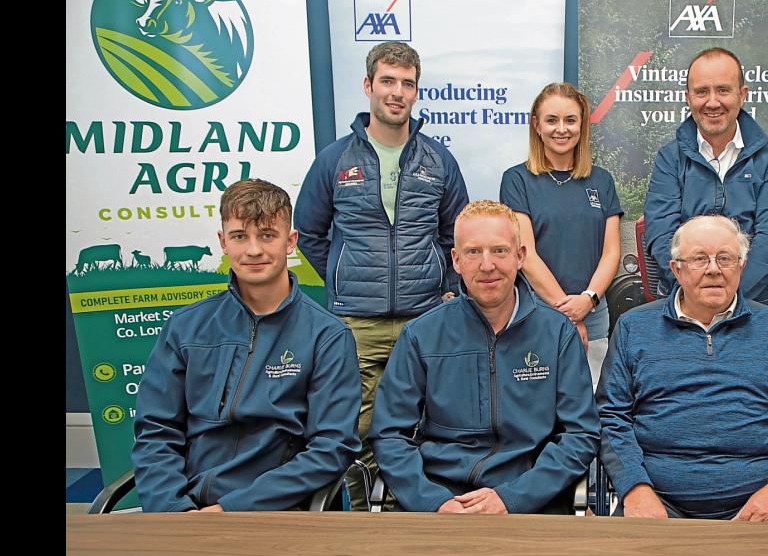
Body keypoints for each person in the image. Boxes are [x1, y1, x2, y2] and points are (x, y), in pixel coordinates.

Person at [295, 41, 469, 509]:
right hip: (357, 321)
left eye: (407, 84)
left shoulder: (438, 161)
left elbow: (458, 233)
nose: (397, 93)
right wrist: (343, 274)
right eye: (388, 81)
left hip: (426, 317)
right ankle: (367, 521)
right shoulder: (334, 160)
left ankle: (412, 510)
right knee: (357, 429)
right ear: (368, 85)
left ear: (416, 91)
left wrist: (448, 289)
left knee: (426, 421)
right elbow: (309, 233)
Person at [132, 179, 361, 512]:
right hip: (184, 508)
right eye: (240, 236)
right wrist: (172, 511)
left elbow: (332, 447)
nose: (254, 250)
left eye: (267, 235)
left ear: (290, 242)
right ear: (223, 242)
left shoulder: (327, 335)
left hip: (275, 511)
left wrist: (232, 509)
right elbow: (156, 430)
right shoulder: (185, 327)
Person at [368, 201, 599, 514]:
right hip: (440, 502)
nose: (487, 265)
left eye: (500, 251)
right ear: (457, 260)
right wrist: (432, 501)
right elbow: (389, 435)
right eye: (474, 252)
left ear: (520, 256)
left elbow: (580, 435)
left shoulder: (557, 334)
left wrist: (513, 498)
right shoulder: (421, 335)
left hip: (531, 503)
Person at [598, 215, 768, 522]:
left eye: (725, 258)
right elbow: (611, 417)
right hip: (658, 503)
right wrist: (634, 489)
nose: (713, 269)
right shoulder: (634, 328)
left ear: (741, 266)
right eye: (698, 259)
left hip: (763, 500)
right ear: (675, 269)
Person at [643, 47, 768, 304]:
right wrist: (695, 295)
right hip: (681, 304)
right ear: (688, 98)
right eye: (702, 92)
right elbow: (660, 234)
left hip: (750, 304)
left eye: (723, 90)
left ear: (742, 95)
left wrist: (728, 295)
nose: (712, 102)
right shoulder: (669, 158)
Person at [499, 83, 623, 387]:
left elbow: (611, 252)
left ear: (582, 125)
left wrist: (588, 301)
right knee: (537, 402)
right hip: (536, 311)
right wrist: (569, 313)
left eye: (570, 120)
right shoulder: (517, 180)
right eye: (552, 120)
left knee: (591, 401)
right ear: (536, 124)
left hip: (593, 312)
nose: (561, 129)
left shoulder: (602, 180)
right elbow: (524, 253)